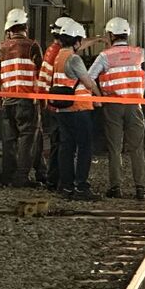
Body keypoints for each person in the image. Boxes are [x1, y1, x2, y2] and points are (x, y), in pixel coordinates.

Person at [88, 17, 145, 200]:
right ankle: (141, 189)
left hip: (113, 106)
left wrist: (98, 95)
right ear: (127, 34)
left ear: (110, 35)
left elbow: (90, 77)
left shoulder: (105, 56)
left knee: (115, 148)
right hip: (134, 105)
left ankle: (116, 187)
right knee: (137, 148)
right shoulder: (139, 53)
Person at [52, 20, 102, 200]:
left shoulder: (59, 56)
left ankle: (65, 186)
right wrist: (98, 97)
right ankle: (81, 187)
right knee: (84, 147)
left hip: (63, 110)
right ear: (76, 41)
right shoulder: (74, 59)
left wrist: (96, 39)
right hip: (79, 109)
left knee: (66, 147)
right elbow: (88, 82)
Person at [0, 8, 44, 187]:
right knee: (27, 138)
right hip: (26, 99)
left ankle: (7, 176)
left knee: (9, 140)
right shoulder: (32, 45)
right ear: (25, 26)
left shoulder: (2, 47)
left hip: (7, 99)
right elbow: (41, 73)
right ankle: (21, 177)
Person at [38, 16, 74, 190]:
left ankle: (54, 179)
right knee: (58, 142)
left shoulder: (53, 49)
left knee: (56, 142)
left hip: (49, 100)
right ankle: (55, 179)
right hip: (55, 103)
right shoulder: (59, 52)